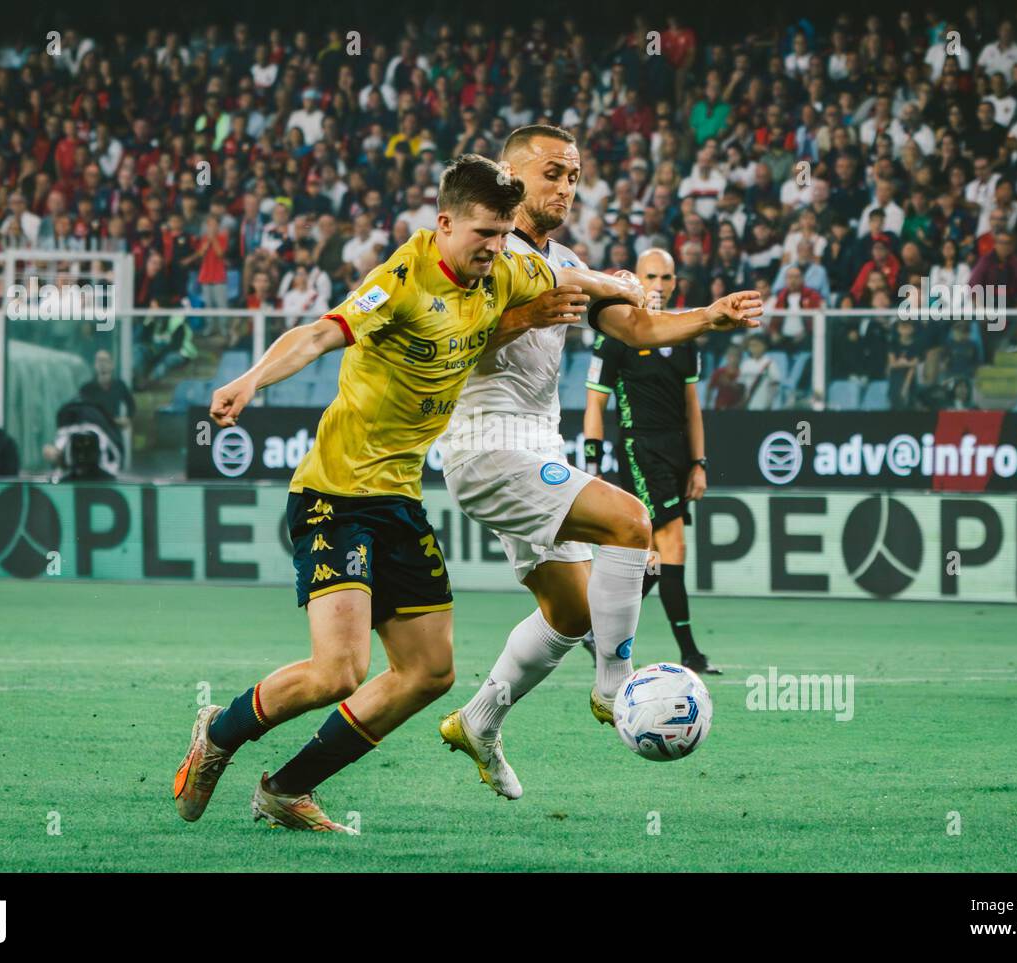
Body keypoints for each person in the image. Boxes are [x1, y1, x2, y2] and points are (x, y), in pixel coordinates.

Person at [173, 153, 645, 832]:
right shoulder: (401, 278)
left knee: (428, 671)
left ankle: (286, 788)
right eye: (483, 232)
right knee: (340, 669)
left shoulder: (506, 264)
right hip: (332, 492)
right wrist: (251, 381)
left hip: (398, 499)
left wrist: (615, 282)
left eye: (503, 232)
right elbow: (318, 333)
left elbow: (568, 275)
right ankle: (219, 731)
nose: (495, 246)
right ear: (445, 222)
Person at [436, 126, 759, 800]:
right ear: (510, 172)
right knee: (631, 522)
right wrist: (526, 315)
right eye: (551, 172)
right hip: (487, 443)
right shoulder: (485, 249)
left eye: (574, 176)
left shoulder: (567, 260)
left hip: (535, 446)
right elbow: (442, 331)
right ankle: (616, 685)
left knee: (572, 609)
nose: (564, 187)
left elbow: (637, 327)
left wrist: (709, 317)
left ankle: (479, 719)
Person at [582, 247, 721, 676]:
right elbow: (594, 405)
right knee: (673, 543)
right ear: (634, 281)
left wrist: (699, 462)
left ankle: (593, 628)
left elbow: (692, 407)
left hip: (677, 452)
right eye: (650, 277)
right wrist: (592, 460)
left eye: (665, 278)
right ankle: (691, 654)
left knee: (655, 557)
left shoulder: (683, 339)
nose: (658, 286)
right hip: (638, 450)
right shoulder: (616, 336)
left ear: (675, 283)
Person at [78, 350, 135, 430]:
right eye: (99, 361)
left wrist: (127, 418)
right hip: (94, 432)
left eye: (105, 360)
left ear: (112, 364)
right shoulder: (86, 388)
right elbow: (80, 411)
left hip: (114, 431)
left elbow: (131, 404)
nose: (102, 364)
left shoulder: (120, 385)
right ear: (95, 365)